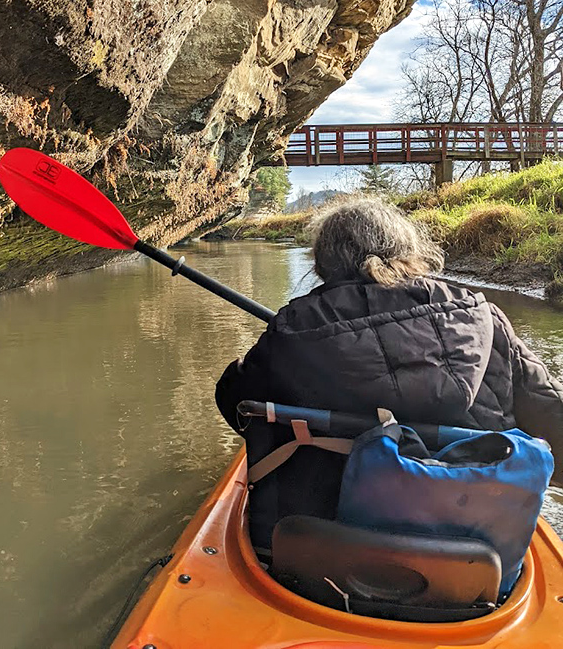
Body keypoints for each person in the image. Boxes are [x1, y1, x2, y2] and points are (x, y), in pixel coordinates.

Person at [215, 195, 563, 554]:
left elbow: (237, 405)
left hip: (316, 554)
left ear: (324, 264)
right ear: (409, 251)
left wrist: (276, 350)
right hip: (476, 556)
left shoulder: (291, 329)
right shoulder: (485, 318)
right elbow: (553, 420)